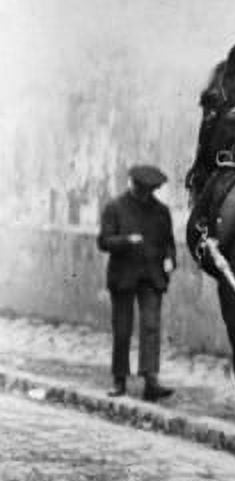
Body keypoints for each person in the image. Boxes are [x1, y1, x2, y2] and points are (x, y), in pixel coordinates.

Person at [97, 163, 177, 401]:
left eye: (149, 191)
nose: (145, 195)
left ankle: (150, 381)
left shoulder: (161, 211)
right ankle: (119, 380)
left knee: (151, 328)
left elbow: (169, 242)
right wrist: (126, 241)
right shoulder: (115, 208)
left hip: (152, 277)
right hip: (123, 276)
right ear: (132, 184)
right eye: (141, 190)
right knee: (122, 330)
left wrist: (171, 260)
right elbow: (103, 241)